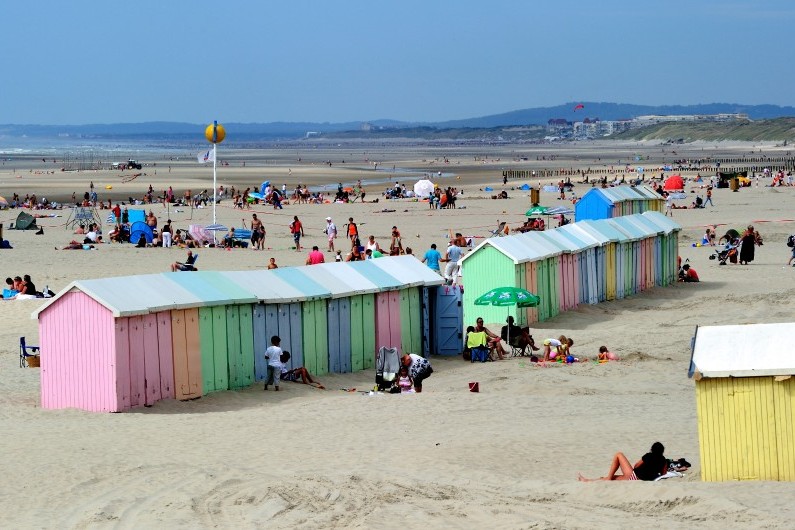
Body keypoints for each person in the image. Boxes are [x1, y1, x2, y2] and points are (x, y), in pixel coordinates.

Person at [578, 442, 669, 482]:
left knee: (619, 454)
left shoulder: (648, 456)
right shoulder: (663, 460)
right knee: (613, 477)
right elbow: (663, 473)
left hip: (635, 476)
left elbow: (636, 466)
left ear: (652, 449)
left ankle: (589, 480)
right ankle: (589, 480)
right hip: (641, 479)